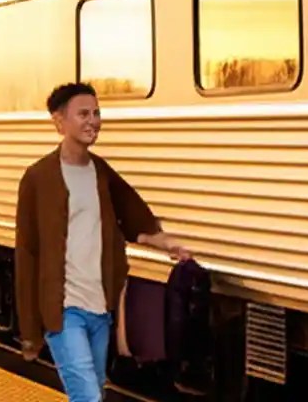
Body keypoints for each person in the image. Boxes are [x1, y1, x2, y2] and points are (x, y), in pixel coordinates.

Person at [15, 82, 190, 402]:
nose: (93, 120)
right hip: (64, 310)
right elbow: (27, 255)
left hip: (100, 308)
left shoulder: (102, 173)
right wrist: (29, 331)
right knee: (88, 397)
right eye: (83, 113)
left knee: (94, 391)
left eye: (97, 113)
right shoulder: (37, 178)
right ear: (59, 121)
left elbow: (134, 220)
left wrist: (167, 244)